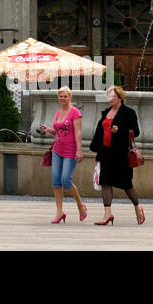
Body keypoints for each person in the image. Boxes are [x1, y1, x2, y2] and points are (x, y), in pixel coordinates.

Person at [89, 86, 144, 225]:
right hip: (106, 153)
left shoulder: (128, 112)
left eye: (111, 96)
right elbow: (99, 130)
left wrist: (120, 130)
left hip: (121, 154)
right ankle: (107, 214)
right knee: (105, 182)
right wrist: (95, 147)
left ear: (119, 98)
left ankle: (138, 208)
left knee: (126, 184)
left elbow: (135, 132)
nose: (109, 99)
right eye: (108, 96)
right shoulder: (106, 112)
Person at [35, 87, 87, 223]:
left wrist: (79, 150)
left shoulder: (75, 113)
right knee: (56, 181)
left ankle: (80, 205)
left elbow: (78, 133)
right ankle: (59, 212)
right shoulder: (58, 112)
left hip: (70, 151)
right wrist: (49, 130)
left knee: (66, 180)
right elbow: (60, 131)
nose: (62, 98)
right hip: (57, 150)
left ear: (70, 97)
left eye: (65, 96)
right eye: (60, 96)